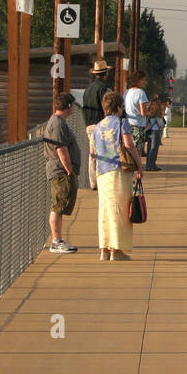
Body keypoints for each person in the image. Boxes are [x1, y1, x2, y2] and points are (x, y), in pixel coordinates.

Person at [88, 91, 143, 260]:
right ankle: (117, 250)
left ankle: (104, 249)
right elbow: (128, 144)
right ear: (119, 107)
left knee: (105, 210)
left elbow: (92, 152)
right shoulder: (121, 123)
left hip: (102, 173)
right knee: (119, 210)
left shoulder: (97, 127)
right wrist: (139, 165)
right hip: (118, 171)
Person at [43, 92, 80, 254]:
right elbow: (61, 149)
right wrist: (69, 171)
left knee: (60, 204)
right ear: (69, 106)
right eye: (73, 105)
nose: (73, 109)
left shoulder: (59, 122)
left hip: (61, 169)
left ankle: (57, 239)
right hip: (60, 170)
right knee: (58, 205)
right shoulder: (57, 124)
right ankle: (56, 241)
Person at [123, 72, 150, 159]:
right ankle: (138, 170)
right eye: (143, 80)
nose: (145, 82)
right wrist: (149, 113)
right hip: (138, 126)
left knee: (128, 151)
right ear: (137, 81)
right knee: (137, 153)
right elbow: (143, 113)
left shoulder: (126, 92)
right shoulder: (141, 93)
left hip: (127, 125)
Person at [82, 59, 110, 130]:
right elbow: (109, 107)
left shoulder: (88, 88)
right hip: (101, 124)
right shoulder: (104, 88)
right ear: (106, 73)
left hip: (88, 124)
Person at [144, 99, 164, 171]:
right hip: (155, 132)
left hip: (149, 131)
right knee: (154, 149)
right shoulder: (158, 115)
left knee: (149, 149)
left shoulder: (149, 114)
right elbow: (160, 124)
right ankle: (152, 165)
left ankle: (148, 165)